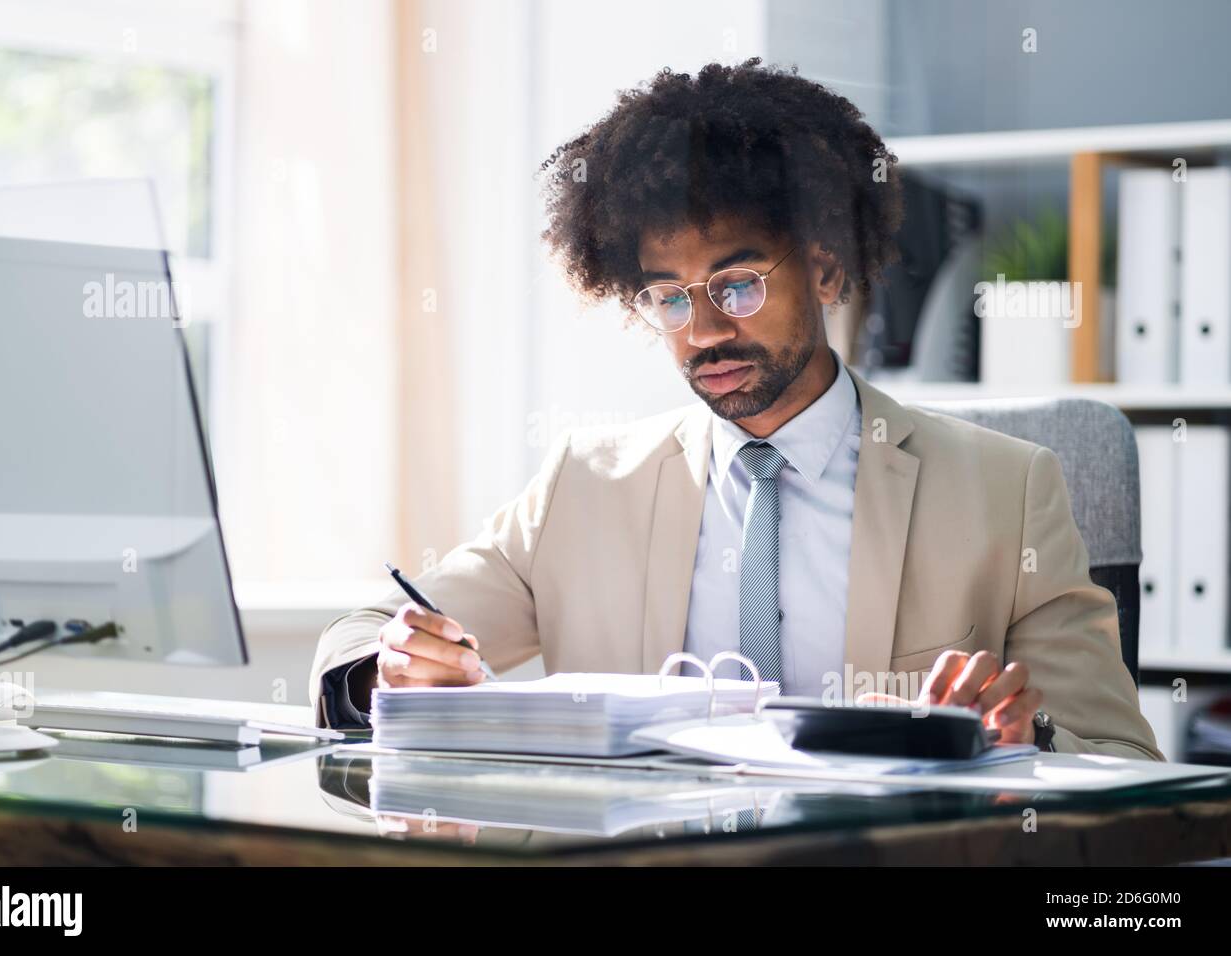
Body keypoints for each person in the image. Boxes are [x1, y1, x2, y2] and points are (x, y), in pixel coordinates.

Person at [310, 59, 1161, 760]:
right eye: (669, 299)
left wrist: (1020, 742)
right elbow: (366, 633)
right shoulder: (585, 486)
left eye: (738, 284)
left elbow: (1123, 758)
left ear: (825, 268)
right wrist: (391, 666)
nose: (705, 331)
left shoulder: (1008, 490)